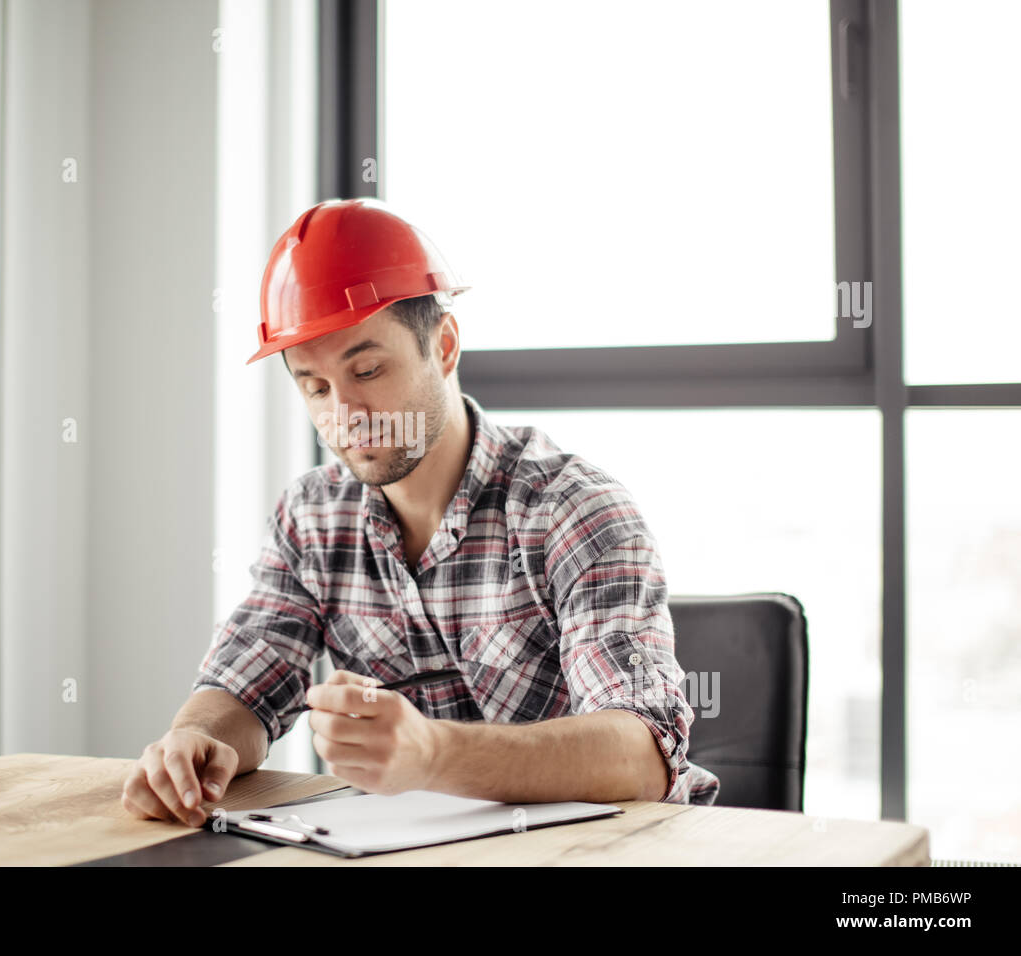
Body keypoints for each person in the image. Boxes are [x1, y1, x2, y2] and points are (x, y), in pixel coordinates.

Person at [122, 198, 719, 827]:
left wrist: (432, 754)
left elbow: (643, 757)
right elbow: (243, 687)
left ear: (444, 345)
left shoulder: (570, 509)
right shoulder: (313, 518)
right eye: (315, 387)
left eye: (369, 369)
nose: (343, 414)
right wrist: (196, 741)